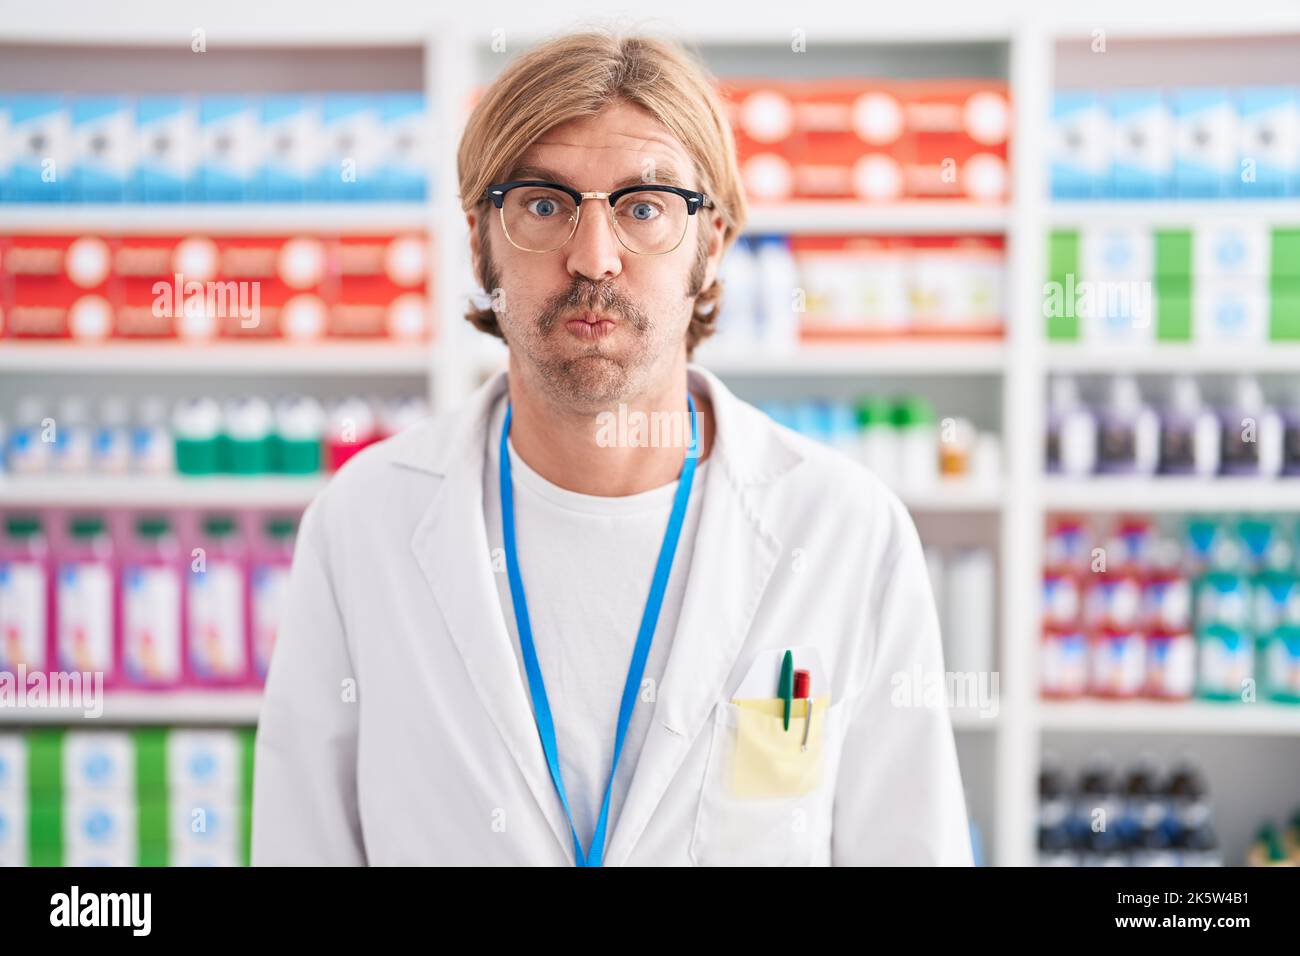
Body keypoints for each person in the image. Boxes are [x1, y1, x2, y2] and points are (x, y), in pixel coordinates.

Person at [252, 29, 973, 866]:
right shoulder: (362, 522)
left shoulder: (848, 531)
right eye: (544, 203)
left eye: (644, 207)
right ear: (482, 239)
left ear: (713, 246)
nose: (594, 257)